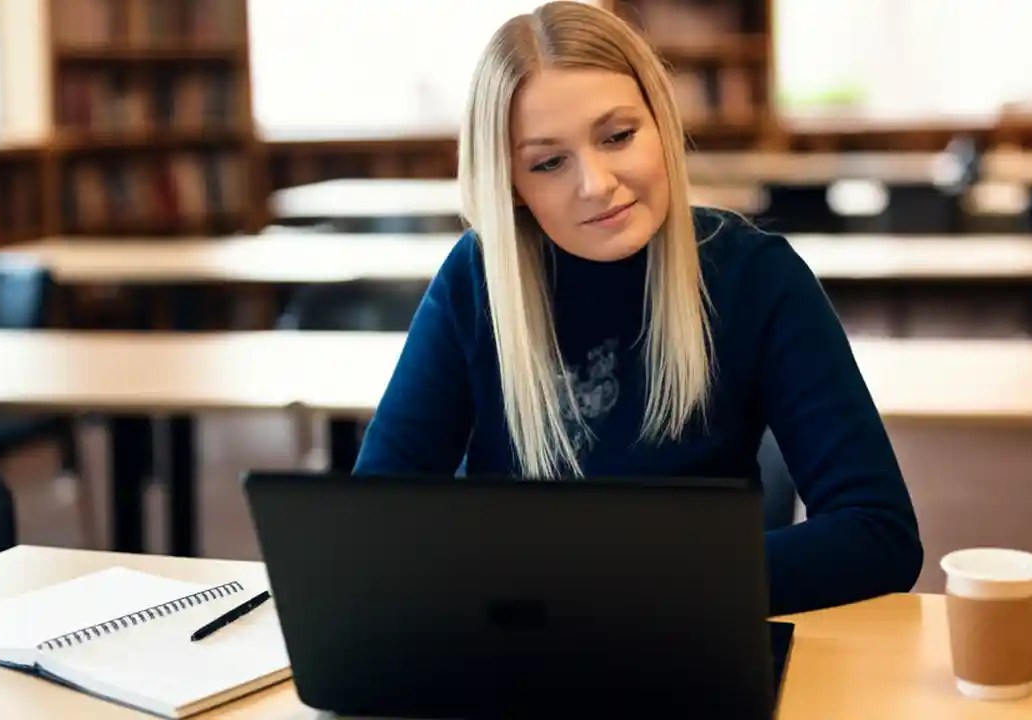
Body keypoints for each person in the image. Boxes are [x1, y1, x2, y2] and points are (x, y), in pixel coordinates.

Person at [354, 0, 921, 615]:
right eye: (548, 162)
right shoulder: (479, 278)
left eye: (618, 136)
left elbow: (878, 532)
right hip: (514, 650)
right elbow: (377, 525)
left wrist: (633, 587)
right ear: (511, 186)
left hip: (694, 639)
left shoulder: (757, 278)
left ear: (662, 125)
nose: (596, 183)